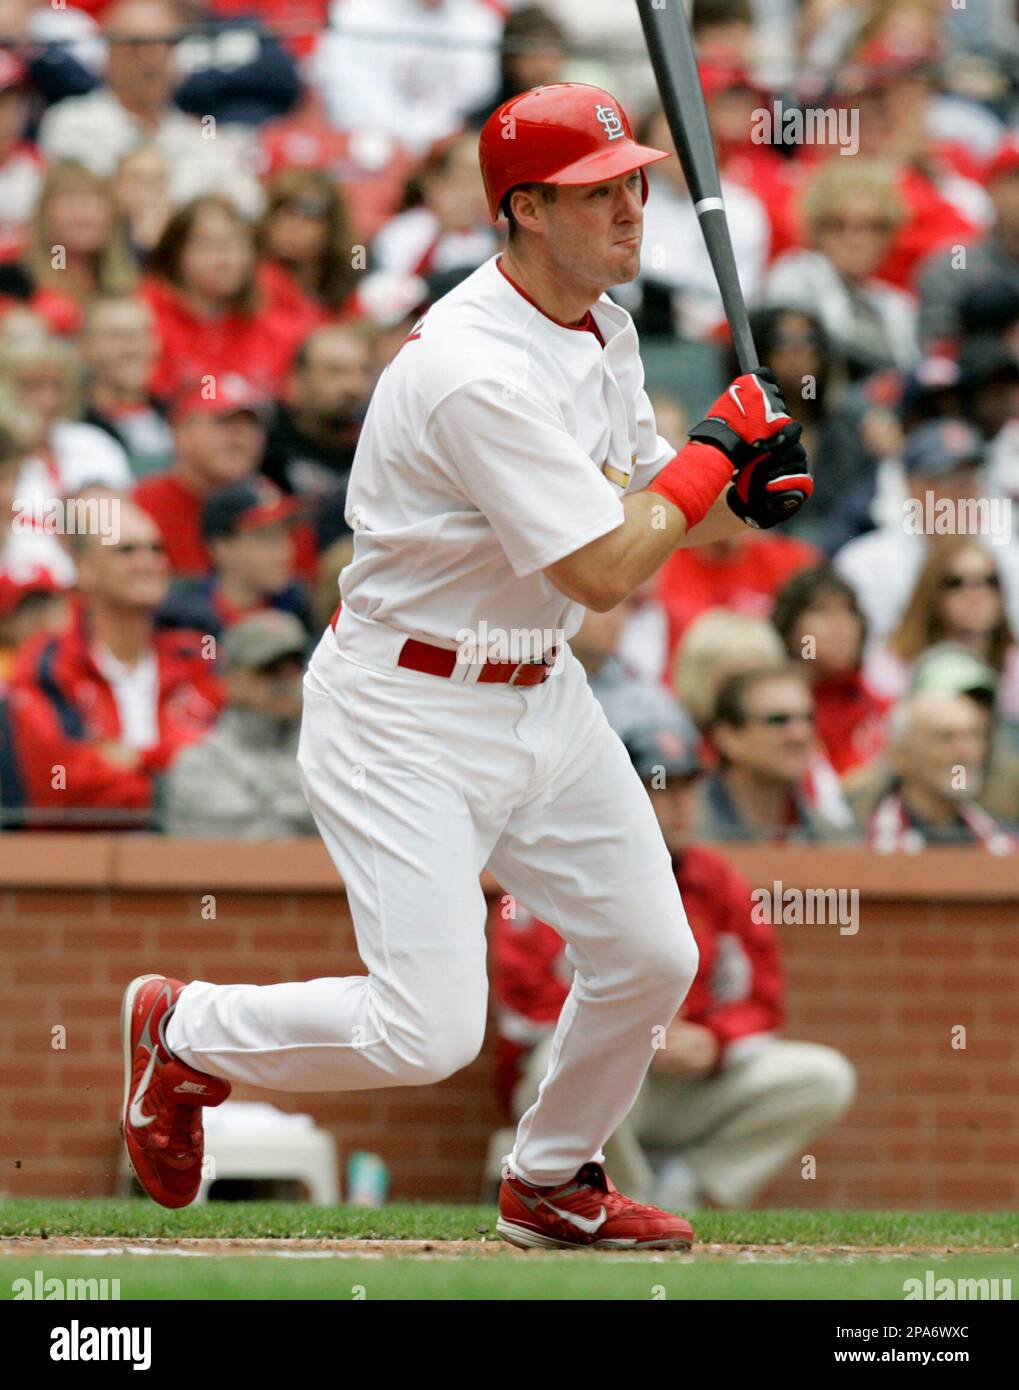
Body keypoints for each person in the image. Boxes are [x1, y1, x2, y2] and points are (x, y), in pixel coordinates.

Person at [119, 83, 812, 1247]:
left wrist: (743, 493)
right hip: (404, 707)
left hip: (537, 691)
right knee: (424, 1031)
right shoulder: (467, 365)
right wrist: (709, 459)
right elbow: (602, 566)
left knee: (651, 955)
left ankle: (549, 1180)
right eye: (599, 194)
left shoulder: (601, 324)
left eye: (635, 182)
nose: (632, 210)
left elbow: (645, 500)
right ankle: (183, 1028)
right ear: (525, 208)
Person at [494, 705, 857, 1209]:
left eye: (689, 786)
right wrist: (630, 1033)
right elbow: (522, 1005)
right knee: (566, 1059)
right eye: (660, 786)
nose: (681, 803)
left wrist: (715, 1040)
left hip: (689, 1081)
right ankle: (621, 1201)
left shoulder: (719, 879)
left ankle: (691, 1191)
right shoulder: (553, 867)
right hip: (598, 1080)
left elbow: (763, 1001)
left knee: (822, 1076)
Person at [6, 498, 221, 826]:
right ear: (85, 568)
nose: (148, 562)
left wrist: (137, 758)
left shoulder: (197, 658)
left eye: (156, 549)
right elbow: (60, 786)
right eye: (126, 551)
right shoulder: (48, 663)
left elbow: (226, 765)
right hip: (77, 864)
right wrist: (171, 784)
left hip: (194, 857)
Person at [36, 0, 262, 216]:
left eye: (167, 44)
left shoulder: (201, 136)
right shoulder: (72, 122)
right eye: (136, 45)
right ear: (108, 54)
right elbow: (87, 210)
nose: (152, 58)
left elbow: (248, 206)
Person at [834, 418, 1019, 647]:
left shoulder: (1008, 557)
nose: (965, 491)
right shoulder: (865, 564)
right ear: (911, 485)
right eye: (948, 478)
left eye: (972, 475)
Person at [140, 195, 318, 399]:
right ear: (175, 253)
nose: (226, 259)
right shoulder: (145, 321)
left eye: (236, 244)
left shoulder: (274, 324)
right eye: (208, 245)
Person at [764, 160, 919, 378]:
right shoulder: (795, 275)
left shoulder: (896, 305)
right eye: (838, 225)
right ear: (815, 230)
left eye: (873, 227)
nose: (856, 239)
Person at [164, 610, 314, 837]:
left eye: (294, 668)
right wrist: (314, 814)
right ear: (231, 681)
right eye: (269, 669)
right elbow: (246, 844)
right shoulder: (201, 761)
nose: (286, 681)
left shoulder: (327, 754)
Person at [133, 375, 269, 577]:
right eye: (223, 421)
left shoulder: (270, 505)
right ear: (181, 432)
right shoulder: (140, 508)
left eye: (251, 423)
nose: (239, 434)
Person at [698, 666, 848, 843]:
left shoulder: (832, 840)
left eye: (808, 719)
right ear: (728, 737)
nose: (799, 734)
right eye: (778, 720)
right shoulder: (683, 834)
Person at [771, 565, 890, 777]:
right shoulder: (771, 714)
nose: (840, 625)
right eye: (821, 611)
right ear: (789, 627)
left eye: (849, 611)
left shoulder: (884, 711)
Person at [864, 691, 1016, 852]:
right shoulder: (860, 838)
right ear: (901, 755)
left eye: (975, 736)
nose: (966, 751)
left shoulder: (1003, 843)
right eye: (946, 737)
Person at [0, 159, 137, 336]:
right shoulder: (14, 280)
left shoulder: (130, 278)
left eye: (95, 201)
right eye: (70, 202)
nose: (84, 213)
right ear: (45, 214)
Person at [260, 325, 375, 504]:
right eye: (335, 371)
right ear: (297, 380)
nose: (354, 386)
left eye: (364, 371)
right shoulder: (265, 447)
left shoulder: (378, 447)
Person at [80, 294, 174, 479]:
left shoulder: (180, 416)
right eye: (118, 336)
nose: (134, 348)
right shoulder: (72, 427)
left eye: (144, 334)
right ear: (85, 346)